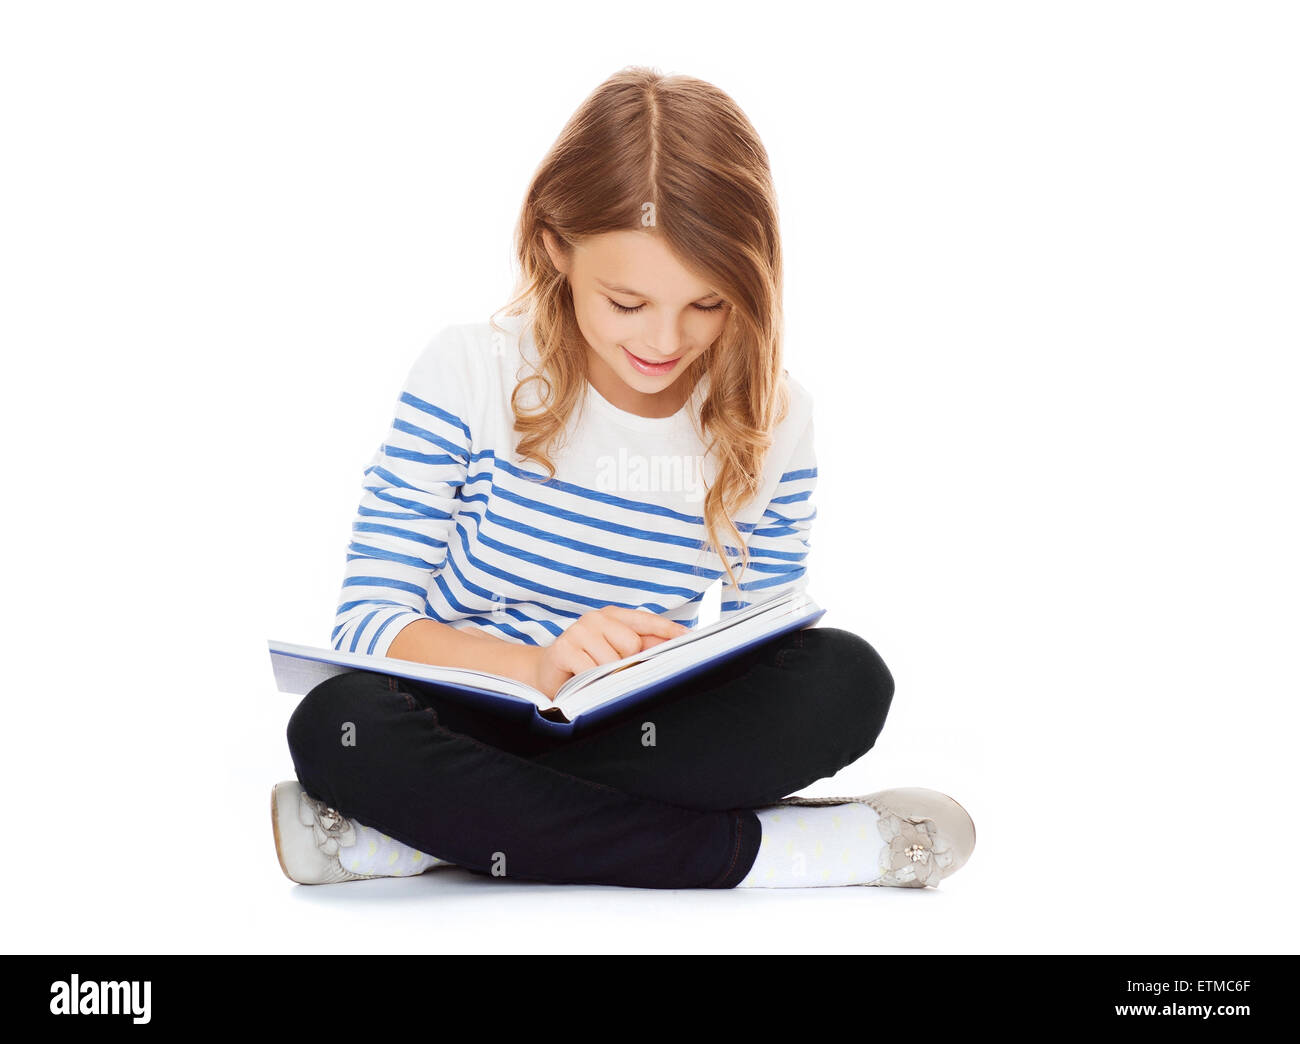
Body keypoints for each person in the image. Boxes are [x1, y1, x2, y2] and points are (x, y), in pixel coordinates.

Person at [271, 67, 975, 891]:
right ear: (555, 246)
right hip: (471, 721)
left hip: (647, 735)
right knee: (338, 723)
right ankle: (762, 856)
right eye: (627, 302)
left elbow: (765, 655)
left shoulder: (776, 418)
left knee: (845, 678)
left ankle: (414, 839)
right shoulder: (469, 370)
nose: (664, 341)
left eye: (707, 305)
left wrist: (684, 663)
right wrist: (537, 667)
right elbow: (366, 624)